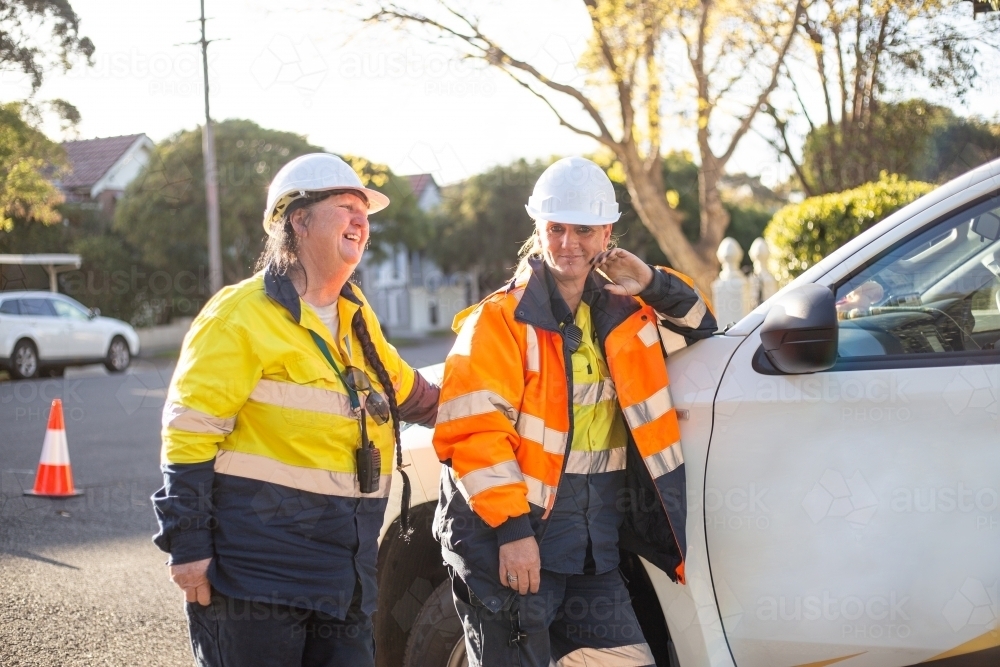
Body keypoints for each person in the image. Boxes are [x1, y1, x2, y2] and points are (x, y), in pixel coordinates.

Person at [152, 153, 439, 667]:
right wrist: (188, 546)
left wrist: (500, 391)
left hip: (345, 581)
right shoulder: (239, 314)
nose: (360, 220)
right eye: (345, 206)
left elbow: (412, 394)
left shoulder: (356, 317)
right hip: (256, 584)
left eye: (364, 211)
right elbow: (188, 436)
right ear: (298, 220)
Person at [432, 157, 718, 667]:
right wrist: (514, 534)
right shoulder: (498, 321)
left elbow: (701, 327)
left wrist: (651, 280)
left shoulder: (626, 312)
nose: (568, 243)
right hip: (511, 548)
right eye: (556, 228)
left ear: (606, 232)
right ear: (538, 230)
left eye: (583, 230)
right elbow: (473, 433)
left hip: (592, 550)